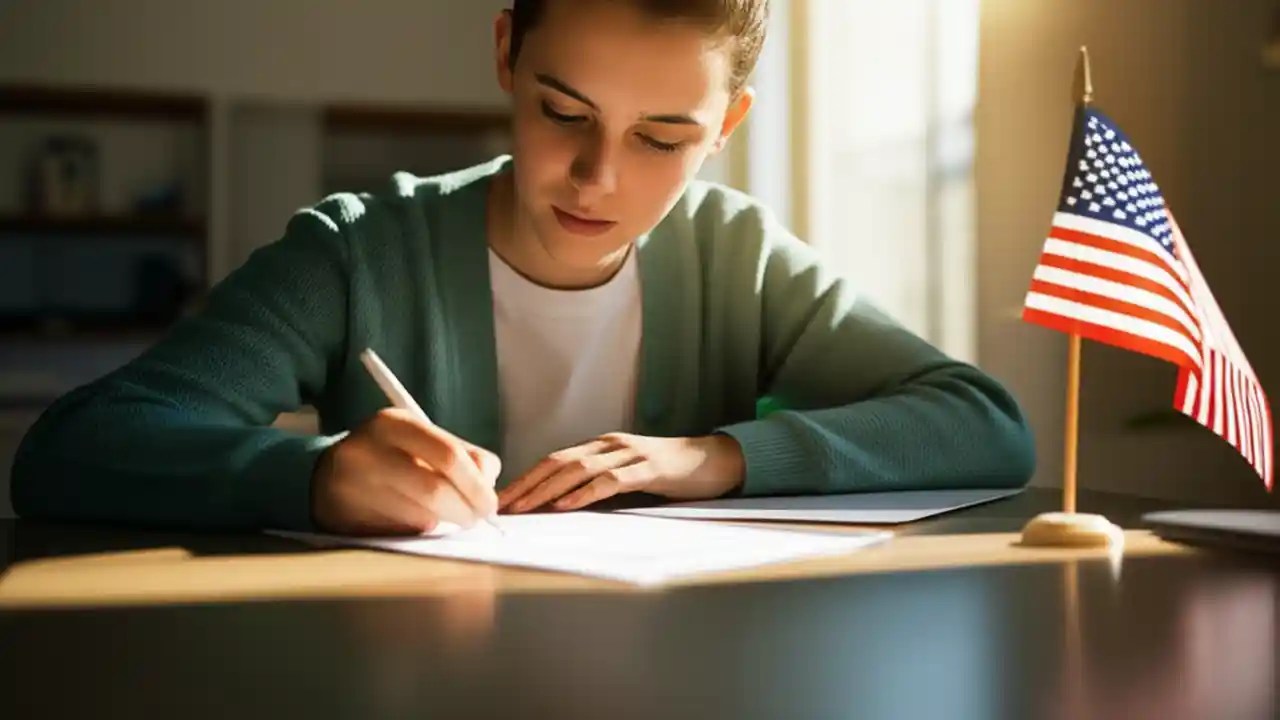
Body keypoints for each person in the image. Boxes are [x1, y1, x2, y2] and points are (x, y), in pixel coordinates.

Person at [10, 0, 1034, 536]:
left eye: (661, 138)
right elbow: (72, 450)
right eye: (563, 113)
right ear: (506, 53)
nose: (596, 177)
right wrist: (313, 477)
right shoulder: (358, 252)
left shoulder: (738, 257)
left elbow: (984, 423)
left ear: (725, 126)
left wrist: (709, 458)